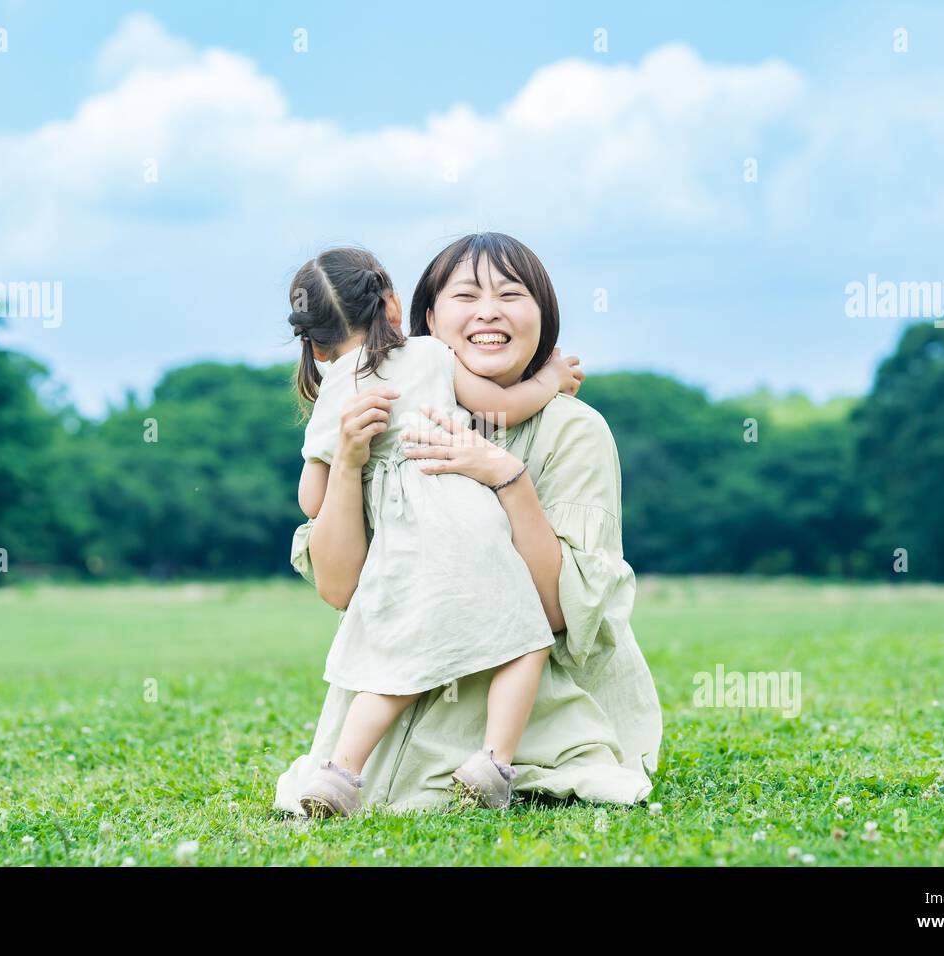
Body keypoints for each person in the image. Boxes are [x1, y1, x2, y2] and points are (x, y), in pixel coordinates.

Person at [275, 233, 661, 816]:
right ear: (418, 315)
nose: (489, 311)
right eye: (466, 295)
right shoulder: (398, 391)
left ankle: (458, 763)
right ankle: (461, 767)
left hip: (534, 730)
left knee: (513, 640)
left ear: (543, 316)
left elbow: (558, 612)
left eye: (512, 294)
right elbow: (339, 588)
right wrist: (349, 464)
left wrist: (508, 477)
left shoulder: (573, 432)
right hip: (396, 731)